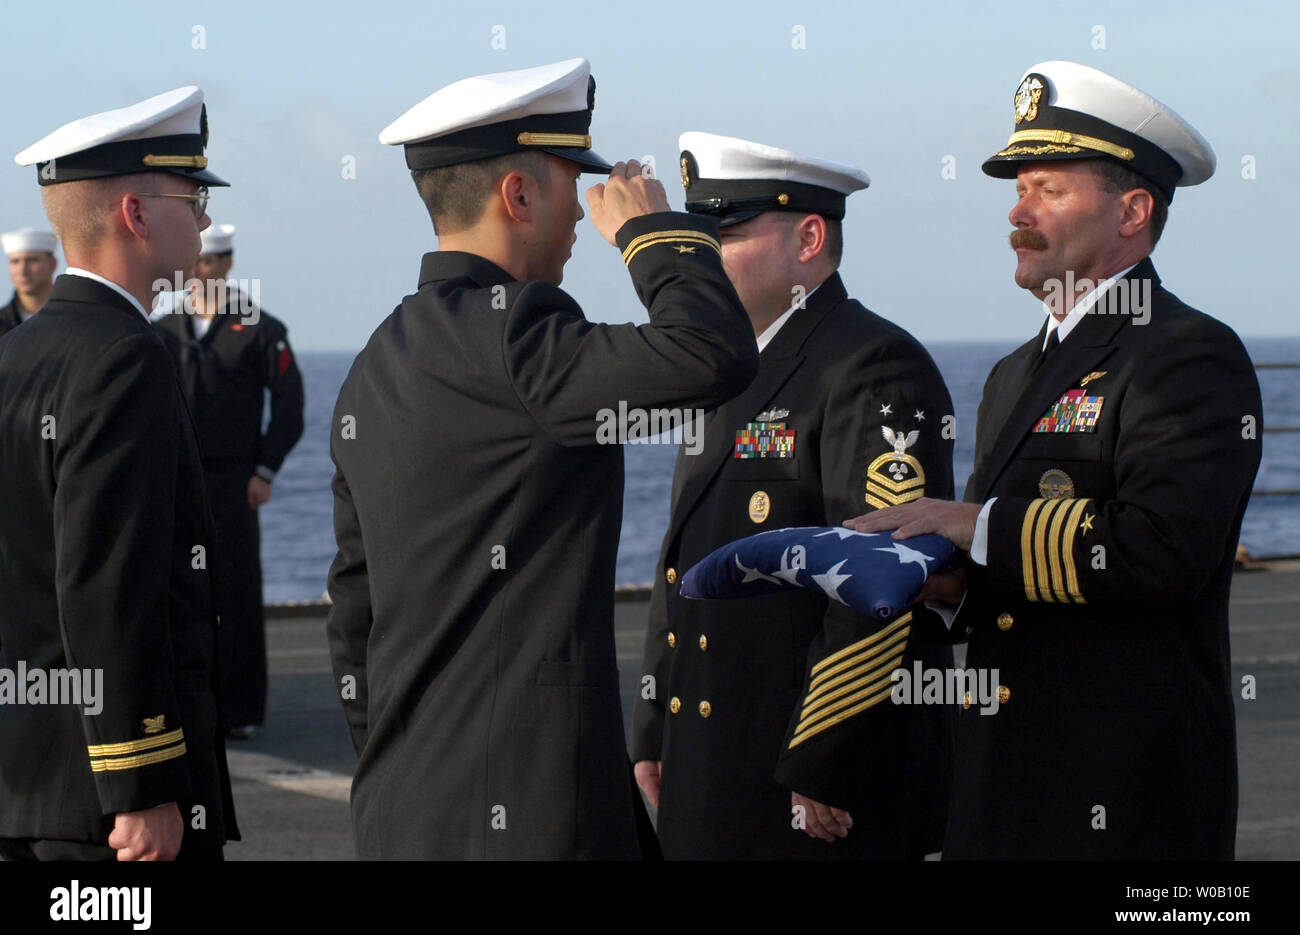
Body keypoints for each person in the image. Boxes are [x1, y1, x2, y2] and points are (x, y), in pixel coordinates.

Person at [325, 58, 758, 860]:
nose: (581, 215)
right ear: (518, 196)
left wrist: (401, 757)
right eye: (572, 184)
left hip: (403, 811)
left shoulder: (374, 364)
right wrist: (650, 234)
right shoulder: (520, 337)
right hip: (530, 820)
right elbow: (713, 354)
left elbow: (355, 609)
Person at [846, 61, 1262, 859]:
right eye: (1019, 189)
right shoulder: (1010, 377)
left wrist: (972, 524)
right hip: (1002, 789)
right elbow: (1009, 588)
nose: (1017, 211)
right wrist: (942, 586)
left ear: (1133, 211)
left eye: (1049, 189)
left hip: (1126, 797)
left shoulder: (1188, 353)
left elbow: (1164, 552)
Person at [628, 132, 956, 859]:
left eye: (728, 235)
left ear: (809, 239)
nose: (704, 259)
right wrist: (654, 723)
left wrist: (824, 761)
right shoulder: (725, 368)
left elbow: (880, 579)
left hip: (801, 781)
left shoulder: (871, 366)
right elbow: (683, 561)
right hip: (709, 759)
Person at [0, 86, 238, 861]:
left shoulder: (18, 353)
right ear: (135, 213)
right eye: (192, 196)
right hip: (111, 813)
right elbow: (109, 585)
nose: (202, 219)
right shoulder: (126, 359)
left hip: (30, 785)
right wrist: (143, 782)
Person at [154, 223, 305, 739]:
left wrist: (265, 471)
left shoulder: (261, 328)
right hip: (174, 482)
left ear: (227, 264)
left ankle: (237, 709)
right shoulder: (162, 329)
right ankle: (183, 703)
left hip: (234, 484)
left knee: (236, 593)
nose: (201, 271)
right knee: (176, 589)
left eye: (211, 261)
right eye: (196, 261)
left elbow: (290, 408)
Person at [1, 228, 58, 335]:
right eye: (15, 261)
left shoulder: (76, 319)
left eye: (32, 260)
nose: (23, 271)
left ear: (53, 264)